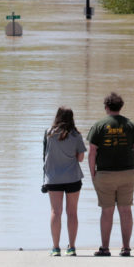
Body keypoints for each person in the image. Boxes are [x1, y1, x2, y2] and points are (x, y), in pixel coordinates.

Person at [86, 92, 134, 257]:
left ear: (106, 107)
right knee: (126, 210)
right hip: (128, 172)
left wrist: (92, 173)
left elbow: (92, 152)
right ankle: (126, 248)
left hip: (105, 173)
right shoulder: (131, 125)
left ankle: (105, 248)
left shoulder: (99, 125)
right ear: (120, 107)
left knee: (107, 211)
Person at [42, 106, 86, 257]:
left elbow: (46, 156)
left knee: (56, 211)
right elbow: (80, 158)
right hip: (73, 177)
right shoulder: (76, 135)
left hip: (54, 178)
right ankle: (72, 247)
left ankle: (55, 248)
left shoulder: (49, 133)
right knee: (72, 212)